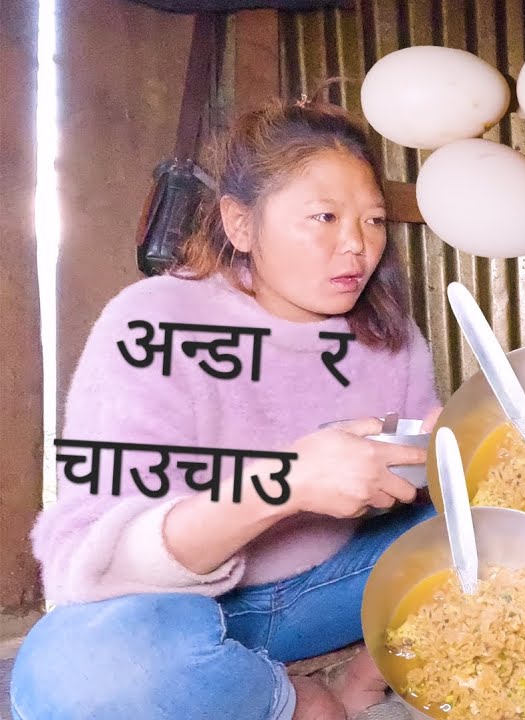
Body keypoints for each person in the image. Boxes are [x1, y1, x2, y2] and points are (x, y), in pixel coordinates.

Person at [10, 95, 442, 720]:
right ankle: (294, 700)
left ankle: (368, 674)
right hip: (179, 611)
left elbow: (410, 475)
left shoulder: (384, 330)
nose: (356, 245)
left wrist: (436, 446)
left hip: (335, 587)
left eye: (373, 221)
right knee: (77, 679)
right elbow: (87, 565)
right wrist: (284, 483)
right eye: (324, 216)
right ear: (240, 223)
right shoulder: (155, 323)